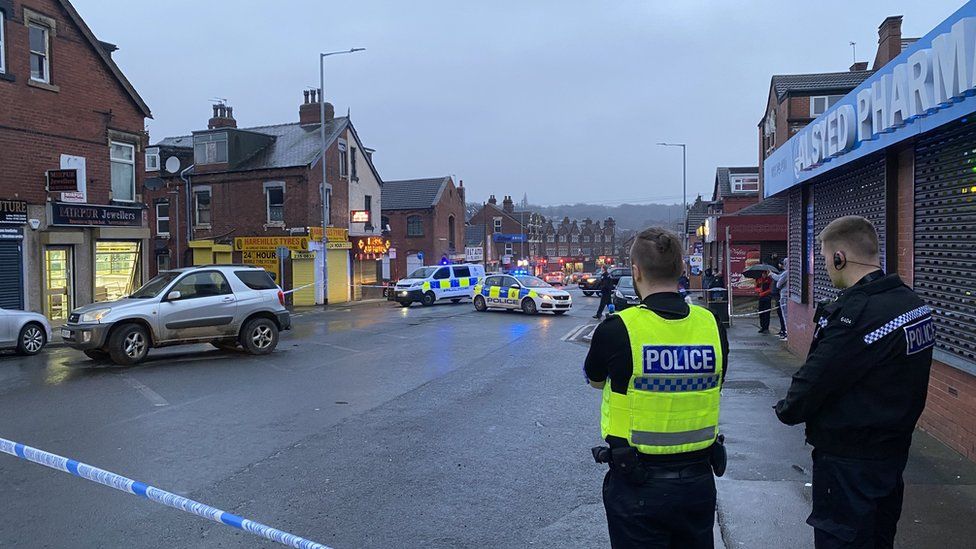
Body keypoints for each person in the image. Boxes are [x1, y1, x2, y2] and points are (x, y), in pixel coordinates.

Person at [775, 216, 934, 548]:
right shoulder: (914, 305)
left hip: (848, 466)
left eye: (824, 258)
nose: (826, 267)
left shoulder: (856, 315)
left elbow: (813, 382)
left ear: (839, 257)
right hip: (892, 457)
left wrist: (787, 408)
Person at [584, 227, 729, 549]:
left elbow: (595, 380)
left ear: (635, 271)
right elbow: (716, 381)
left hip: (637, 482)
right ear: (681, 269)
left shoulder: (617, 328)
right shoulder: (711, 325)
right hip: (698, 480)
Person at [771, 258, 789, 340]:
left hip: (784, 296)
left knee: (785, 315)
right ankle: (785, 332)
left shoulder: (786, 273)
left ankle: (787, 333)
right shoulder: (790, 272)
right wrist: (772, 275)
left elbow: (778, 284)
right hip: (788, 295)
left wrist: (772, 275)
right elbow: (778, 277)